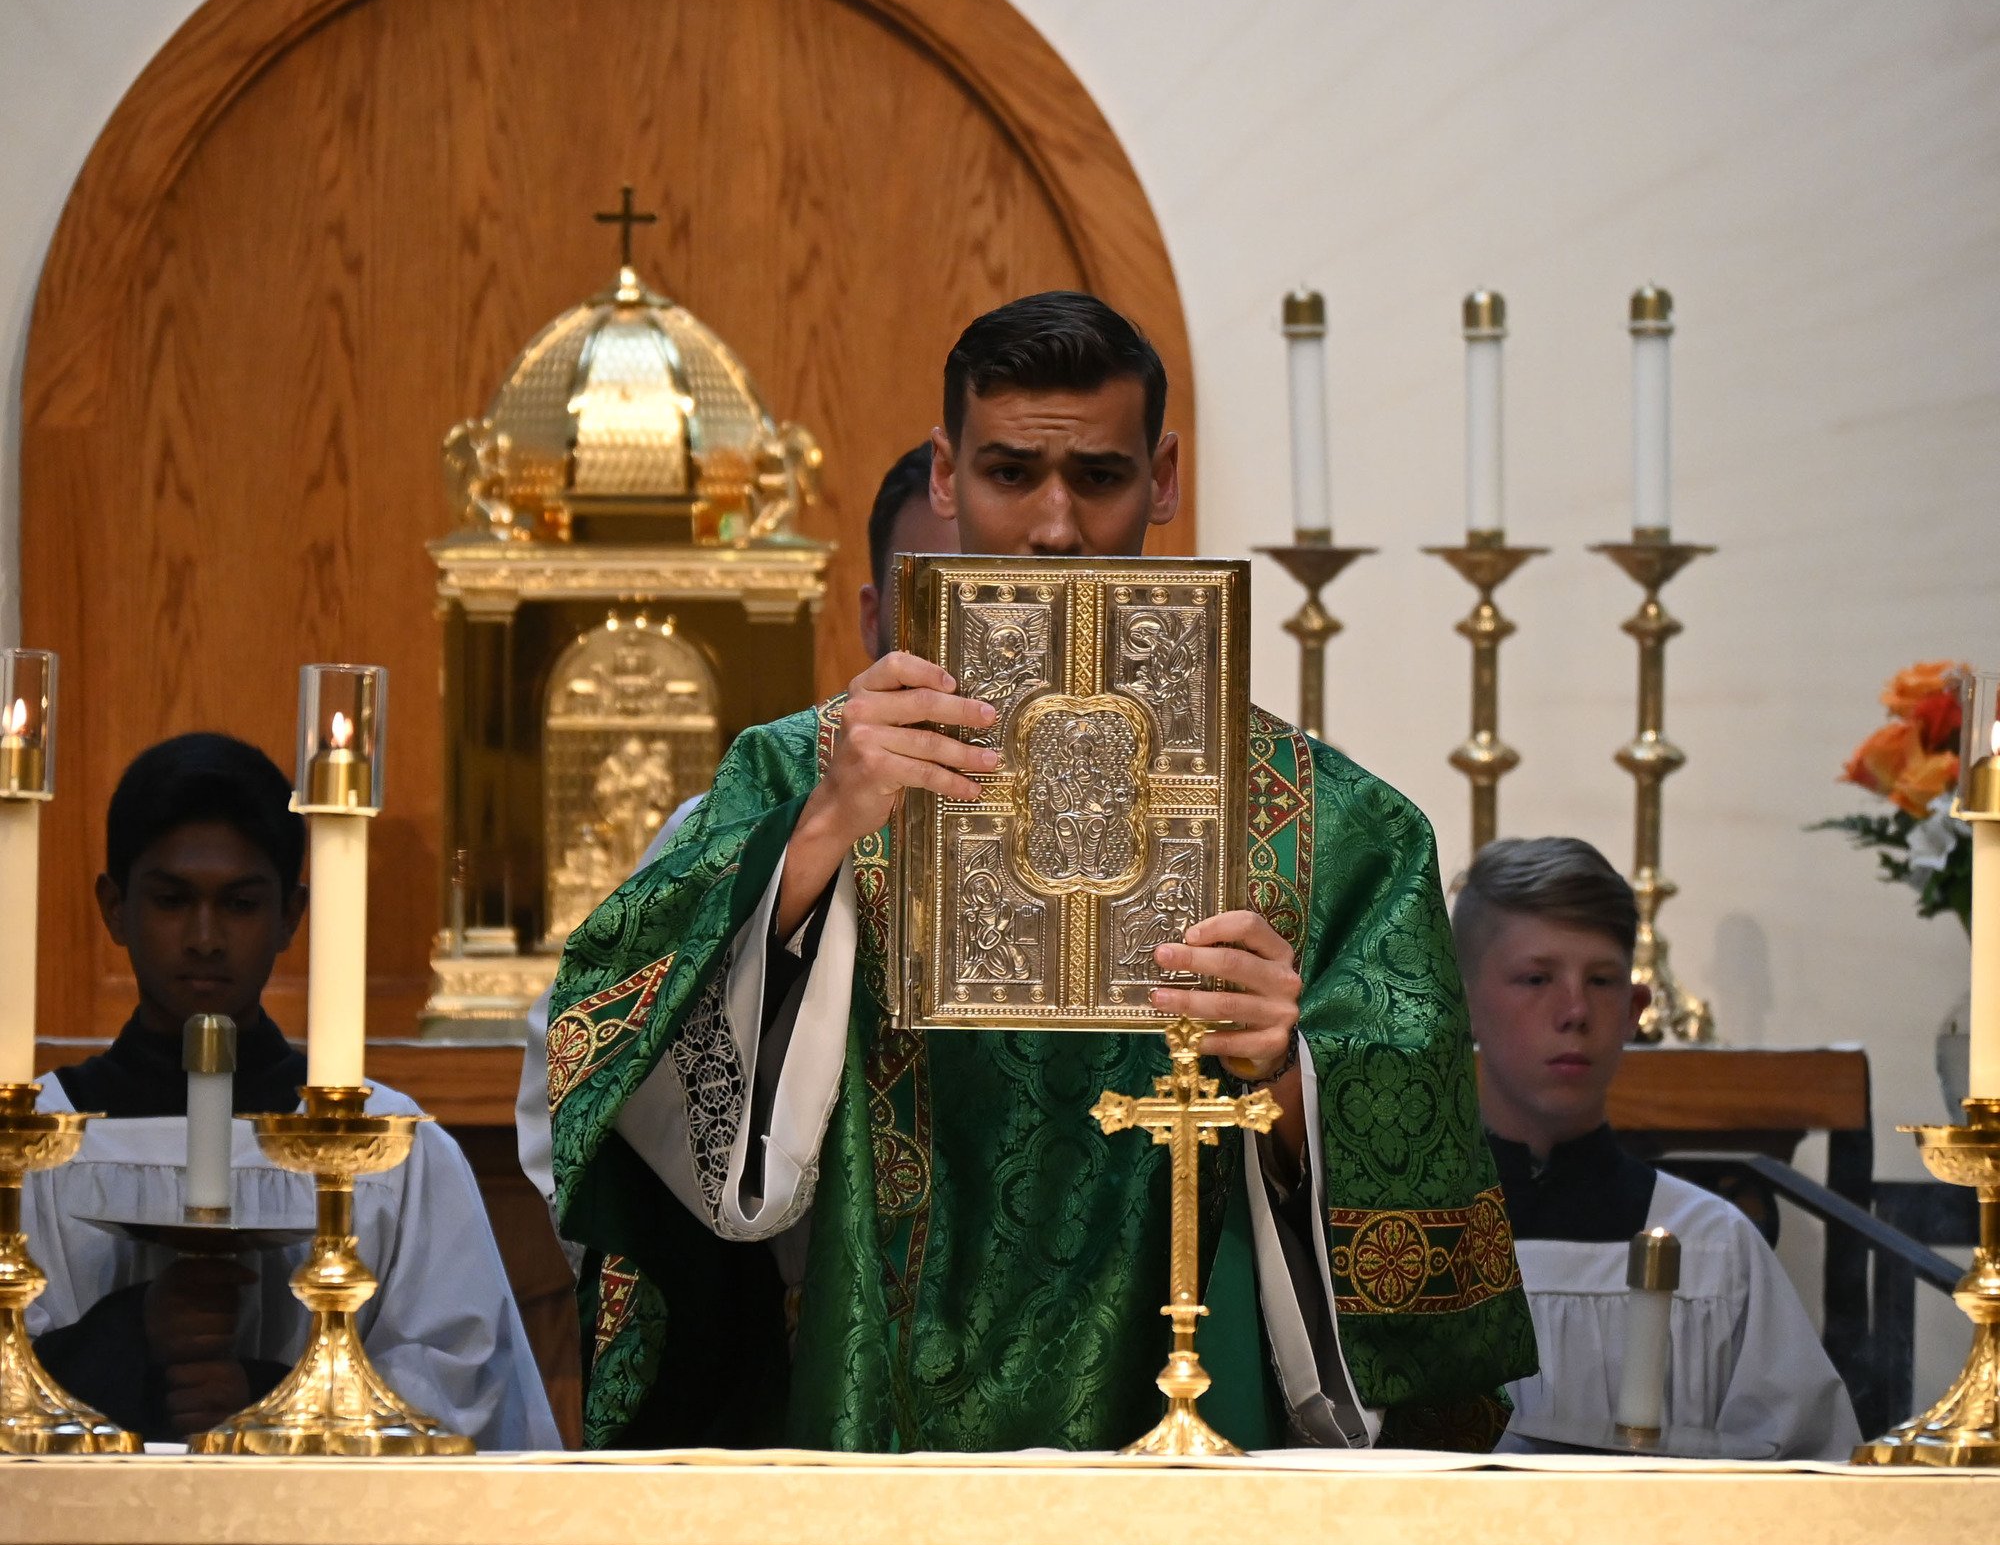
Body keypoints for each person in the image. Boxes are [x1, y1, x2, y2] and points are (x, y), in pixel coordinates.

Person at [549, 292, 1535, 1453]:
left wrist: (1289, 1080)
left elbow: (1417, 1198)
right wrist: (814, 844)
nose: (1055, 527)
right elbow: (604, 1054)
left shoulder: (1340, 829)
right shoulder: (794, 773)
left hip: (1201, 1455)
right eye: (1012, 472)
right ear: (945, 470)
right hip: (867, 1441)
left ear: (1161, 477)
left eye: (1101, 476)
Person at [26, 733, 560, 1450]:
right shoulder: (37, 1139)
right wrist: (129, 1338)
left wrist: (267, 1397)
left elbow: (456, 1378)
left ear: (290, 916)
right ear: (116, 908)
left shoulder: (394, 1147)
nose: (206, 937)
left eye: (241, 904)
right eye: (172, 899)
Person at [513, 443, 958, 1220]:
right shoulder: (758, 811)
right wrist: (803, 857)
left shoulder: (1214, 817)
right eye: (942, 596)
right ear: (872, 618)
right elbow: (582, 1067)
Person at [1452, 834, 1860, 1460]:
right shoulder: (1400, 1237)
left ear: (1634, 1010)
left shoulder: (1712, 1249)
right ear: (1462, 1005)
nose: (1574, 1011)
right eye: (1536, 978)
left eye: (1603, 981)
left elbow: (1805, 1476)